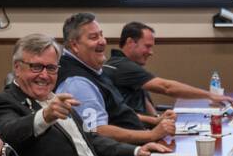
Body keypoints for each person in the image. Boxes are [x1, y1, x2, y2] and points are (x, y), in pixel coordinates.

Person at [0, 34, 170, 156]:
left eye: (51, 68)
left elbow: (92, 139)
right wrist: (45, 117)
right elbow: (6, 135)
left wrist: (138, 151)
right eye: (36, 67)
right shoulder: (3, 101)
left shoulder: (55, 98)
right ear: (17, 67)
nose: (44, 75)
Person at [55, 13, 176, 145]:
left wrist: (154, 121)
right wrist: (151, 135)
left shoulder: (91, 69)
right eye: (94, 37)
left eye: (101, 35)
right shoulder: (77, 83)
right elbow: (97, 130)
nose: (102, 41)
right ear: (74, 46)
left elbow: (117, 112)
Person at [106, 21, 220, 115]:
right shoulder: (123, 66)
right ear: (130, 42)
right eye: (147, 46)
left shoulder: (120, 63)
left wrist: (157, 118)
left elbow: (143, 101)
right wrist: (209, 95)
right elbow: (167, 87)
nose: (151, 52)